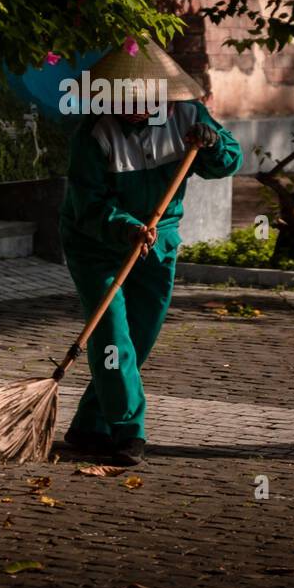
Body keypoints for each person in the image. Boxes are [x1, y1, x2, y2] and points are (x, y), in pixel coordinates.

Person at [58, 40, 242, 465]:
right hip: (98, 244)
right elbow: (88, 206)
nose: (135, 106)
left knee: (138, 338)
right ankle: (128, 431)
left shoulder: (188, 117)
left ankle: (89, 425)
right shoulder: (93, 134)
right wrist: (124, 228)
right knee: (112, 336)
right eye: (124, 97)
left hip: (160, 239)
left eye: (143, 97)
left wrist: (213, 144)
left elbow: (228, 162)